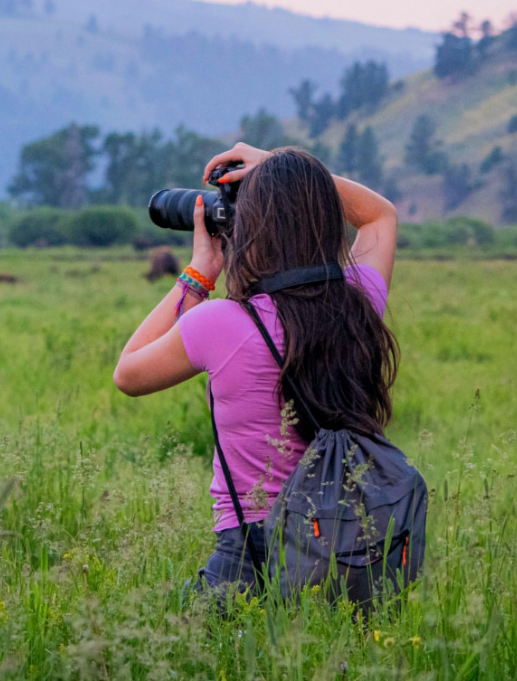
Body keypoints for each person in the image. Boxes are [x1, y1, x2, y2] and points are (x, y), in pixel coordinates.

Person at [111, 143, 399, 595]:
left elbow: (128, 373)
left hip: (252, 555)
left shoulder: (220, 322)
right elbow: (379, 215)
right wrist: (281, 169)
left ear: (250, 230)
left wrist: (201, 271)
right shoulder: (360, 300)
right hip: (351, 547)